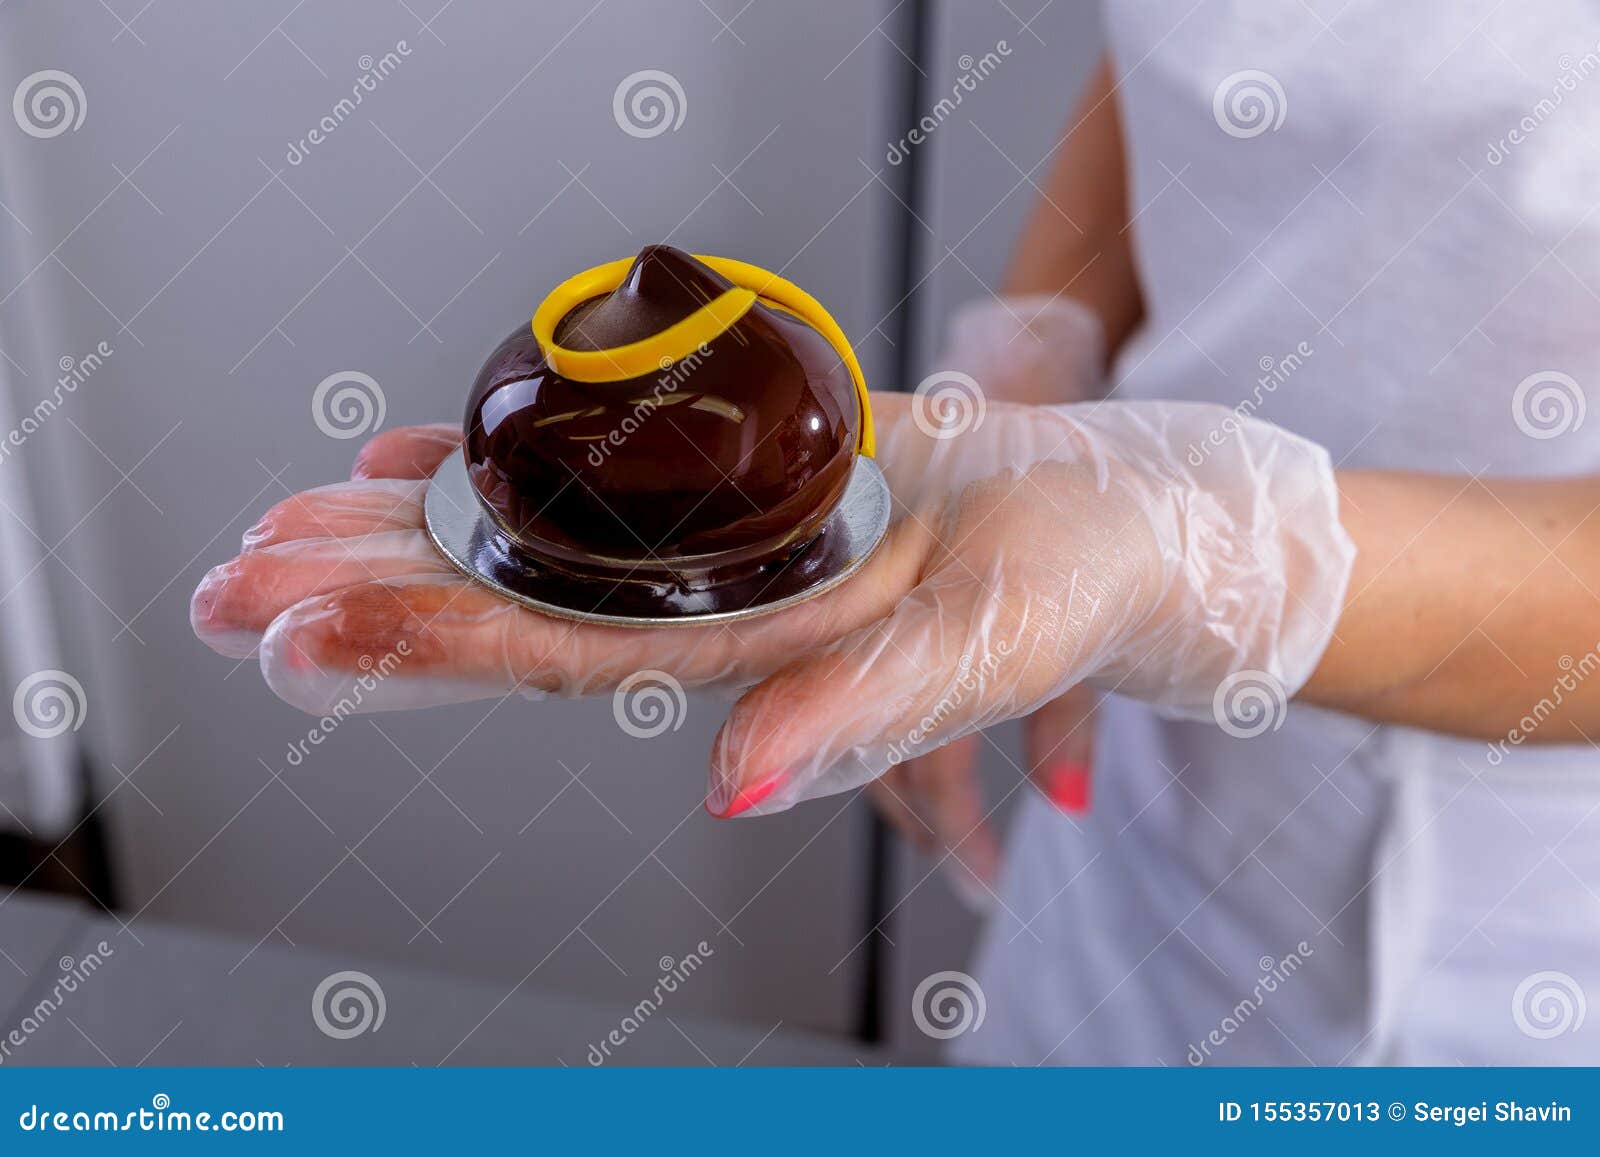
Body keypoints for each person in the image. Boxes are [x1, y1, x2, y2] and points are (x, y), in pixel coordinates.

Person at [194, 3, 1600, 1064]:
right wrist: (1034, 355)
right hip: (1139, 825)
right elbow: (1201, 63)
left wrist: (1206, 552)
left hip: (1530, 952)